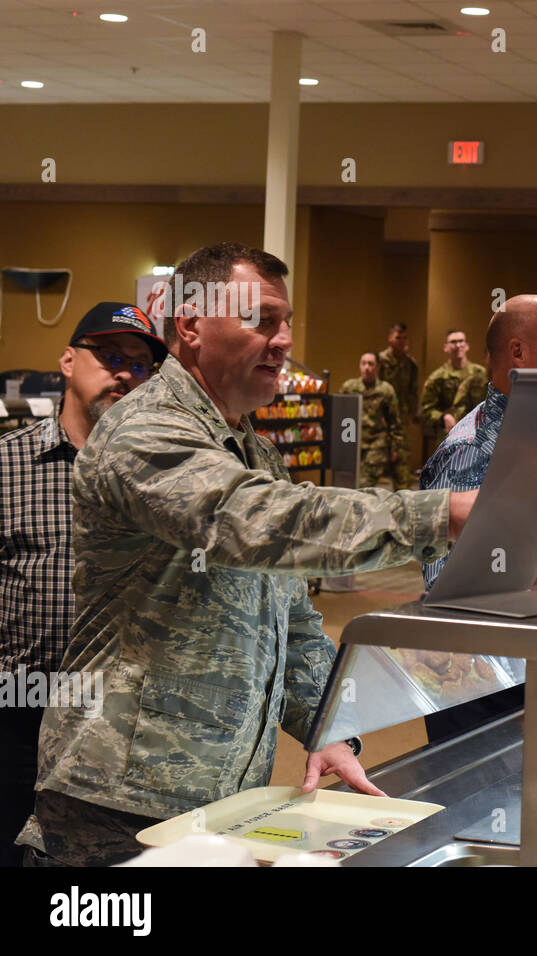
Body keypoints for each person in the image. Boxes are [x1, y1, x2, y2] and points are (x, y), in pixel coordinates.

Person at [27, 243, 475, 867]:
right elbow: (251, 521)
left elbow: (292, 624)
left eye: (287, 322)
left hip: (224, 796)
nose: (284, 339)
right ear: (190, 326)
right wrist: (439, 514)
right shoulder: (144, 428)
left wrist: (325, 726)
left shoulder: (254, 452)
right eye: (261, 320)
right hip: (120, 801)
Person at [0, 302, 166, 868]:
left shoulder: (165, 478)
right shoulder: (9, 467)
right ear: (68, 361)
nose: (126, 374)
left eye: (143, 367)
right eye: (112, 357)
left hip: (125, 729)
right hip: (21, 719)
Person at [420, 296, 537, 695]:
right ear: (519, 352)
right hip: (493, 689)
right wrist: (536, 661)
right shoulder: (475, 448)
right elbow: (456, 600)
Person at [340, 352, 403, 489]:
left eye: (370, 364)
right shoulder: (349, 387)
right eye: (363, 363)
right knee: (346, 483)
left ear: (378, 367)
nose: (366, 367)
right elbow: (340, 414)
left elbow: (394, 421)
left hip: (376, 443)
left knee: (364, 484)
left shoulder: (386, 390)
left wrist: (395, 447)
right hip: (352, 441)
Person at [420, 329, 485, 450]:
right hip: (449, 436)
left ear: (467, 346)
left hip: (478, 434)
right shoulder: (437, 377)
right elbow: (426, 408)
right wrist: (442, 417)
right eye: (453, 342)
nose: (458, 345)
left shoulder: (480, 374)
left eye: (461, 341)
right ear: (446, 347)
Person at [376, 322, 420, 488]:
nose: (402, 341)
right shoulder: (380, 360)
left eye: (404, 338)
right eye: (398, 337)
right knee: (378, 462)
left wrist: (412, 416)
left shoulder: (411, 364)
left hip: (401, 419)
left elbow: (413, 392)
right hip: (381, 418)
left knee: (402, 463)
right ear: (390, 339)